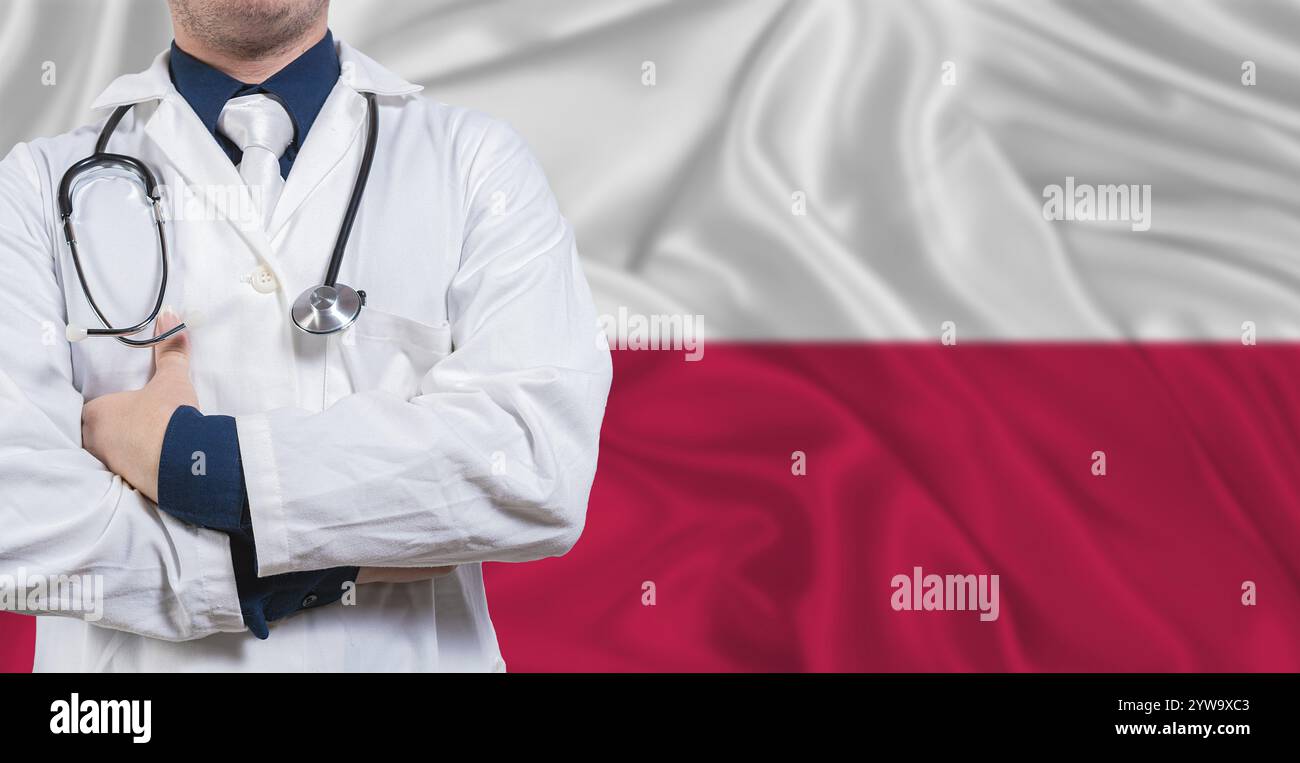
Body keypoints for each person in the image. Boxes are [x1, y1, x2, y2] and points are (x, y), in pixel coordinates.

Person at [0, 0, 611, 671]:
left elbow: (533, 464)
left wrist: (185, 458)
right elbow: (17, 516)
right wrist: (290, 574)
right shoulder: (31, 190)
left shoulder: (476, 164)